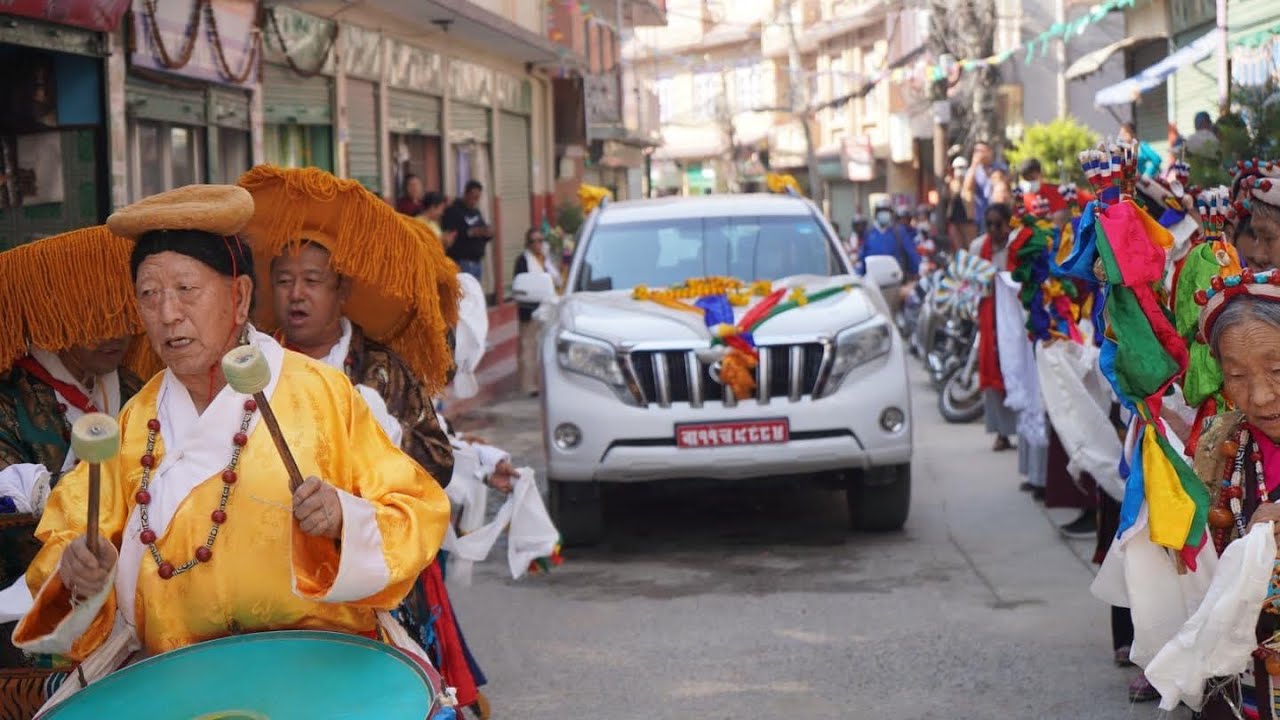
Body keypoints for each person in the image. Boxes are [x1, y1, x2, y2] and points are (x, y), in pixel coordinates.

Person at [12, 184, 452, 714]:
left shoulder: (320, 395)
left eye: (186, 290)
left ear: (239, 297)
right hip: (179, 685)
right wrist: (79, 572)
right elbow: (68, 539)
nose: (167, 314)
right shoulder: (132, 422)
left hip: (319, 678)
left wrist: (345, 518)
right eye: (148, 295)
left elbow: (418, 510)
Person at [241, 165, 485, 715]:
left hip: (381, 572)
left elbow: (440, 467)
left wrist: (389, 436)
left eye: (312, 280)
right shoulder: (257, 367)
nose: (296, 295)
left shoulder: (381, 367)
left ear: (341, 290)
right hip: (281, 574)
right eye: (283, 280)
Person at [0, 227, 152, 718]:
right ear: (56, 316)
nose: (115, 330)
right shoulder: (10, 398)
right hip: (36, 622)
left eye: (122, 313)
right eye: (95, 316)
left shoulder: (136, 387)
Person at [971, 203, 1019, 456]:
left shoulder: (1018, 246)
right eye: (988, 224)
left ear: (1008, 223)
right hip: (990, 319)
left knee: (1015, 370)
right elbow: (972, 284)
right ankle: (1001, 433)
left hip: (1014, 321)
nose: (992, 229)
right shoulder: (979, 248)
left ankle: (1022, 430)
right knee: (992, 374)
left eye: (997, 224)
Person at [513, 228, 561, 397]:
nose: (538, 244)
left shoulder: (546, 260)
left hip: (548, 309)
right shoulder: (523, 260)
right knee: (528, 348)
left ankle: (542, 382)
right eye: (534, 241)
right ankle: (528, 385)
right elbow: (521, 285)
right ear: (528, 243)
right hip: (530, 311)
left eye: (541, 240)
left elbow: (556, 279)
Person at [858, 200, 920, 314]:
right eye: (881, 211)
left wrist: (914, 274)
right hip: (872, 285)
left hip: (894, 284)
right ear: (876, 214)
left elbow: (911, 255)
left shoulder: (898, 232)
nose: (884, 214)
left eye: (886, 211)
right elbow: (862, 260)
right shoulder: (870, 233)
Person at [444, 180, 493, 282]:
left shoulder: (476, 212)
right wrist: (471, 233)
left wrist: (487, 233)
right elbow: (451, 233)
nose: (475, 201)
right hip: (462, 260)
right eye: (473, 197)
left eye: (478, 198)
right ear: (466, 194)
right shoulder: (454, 210)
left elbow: (483, 230)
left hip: (477, 261)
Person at [963, 142, 995, 233]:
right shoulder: (973, 171)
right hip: (982, 216)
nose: (979, 153)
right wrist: (974, 164)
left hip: (999, 214)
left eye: (982, 151)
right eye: (976, 151)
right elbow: (967, 188)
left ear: (990, 151)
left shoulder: (999, 167)